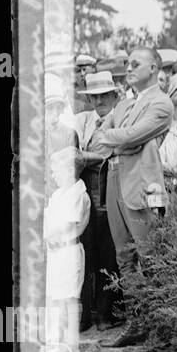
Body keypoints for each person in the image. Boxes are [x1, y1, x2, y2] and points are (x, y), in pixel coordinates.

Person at [84, 47, 175, 343]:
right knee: (124, 256)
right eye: (128, 63)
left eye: (136, 63)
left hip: (142, 186)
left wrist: (121, 139)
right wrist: (124, 140)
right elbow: (105, 140)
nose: (130, 68)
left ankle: (160, 326)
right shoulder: (123, 105)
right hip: (115, 181)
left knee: (149, 255)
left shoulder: (162, 103)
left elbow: (132, 136)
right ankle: (138, 323)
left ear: (154, 68)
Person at [75, 71, 122, 331]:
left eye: (105, 95)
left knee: (108, 253)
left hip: (107, 190)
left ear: (115, 95)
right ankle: (85, 316)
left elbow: (102, 153)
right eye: (94, 96)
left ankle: (106, 315)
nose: (99, 100)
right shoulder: (82, 119)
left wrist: (78, 155)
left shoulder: (119, 118)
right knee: (83, 252)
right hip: (80, 193)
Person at [45, 146, 90, 351]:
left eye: (57, 171)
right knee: (55, 295)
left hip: (69, 251)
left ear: (70, 171)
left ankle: (72, 340)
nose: (53, 175)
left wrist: (50, 232)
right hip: (56, 251)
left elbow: (70, 223)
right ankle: (56, 338)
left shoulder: (78, 194)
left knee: (70, 296)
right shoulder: (58, 195)